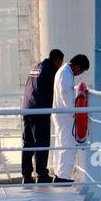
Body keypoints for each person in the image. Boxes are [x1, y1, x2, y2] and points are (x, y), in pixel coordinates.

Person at [21, 49, 64, 184]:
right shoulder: (50, 71)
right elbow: (57, 91)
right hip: (39, 110)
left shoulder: (36, 67)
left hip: (27, 108)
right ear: (58, 61)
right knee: (42, 142)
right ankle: (41, 174)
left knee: (28, 143)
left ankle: (27, 176)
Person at [51, 54, 90, 183]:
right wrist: (76, 111)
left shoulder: (64, 72)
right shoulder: (65, 74)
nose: (80, 73)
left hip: (62, 115)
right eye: (82, 70)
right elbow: (66, 95)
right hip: (65, 116)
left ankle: (60, 174)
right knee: (68, 145)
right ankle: (63, 177)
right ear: (77, 65)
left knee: (62, 144)